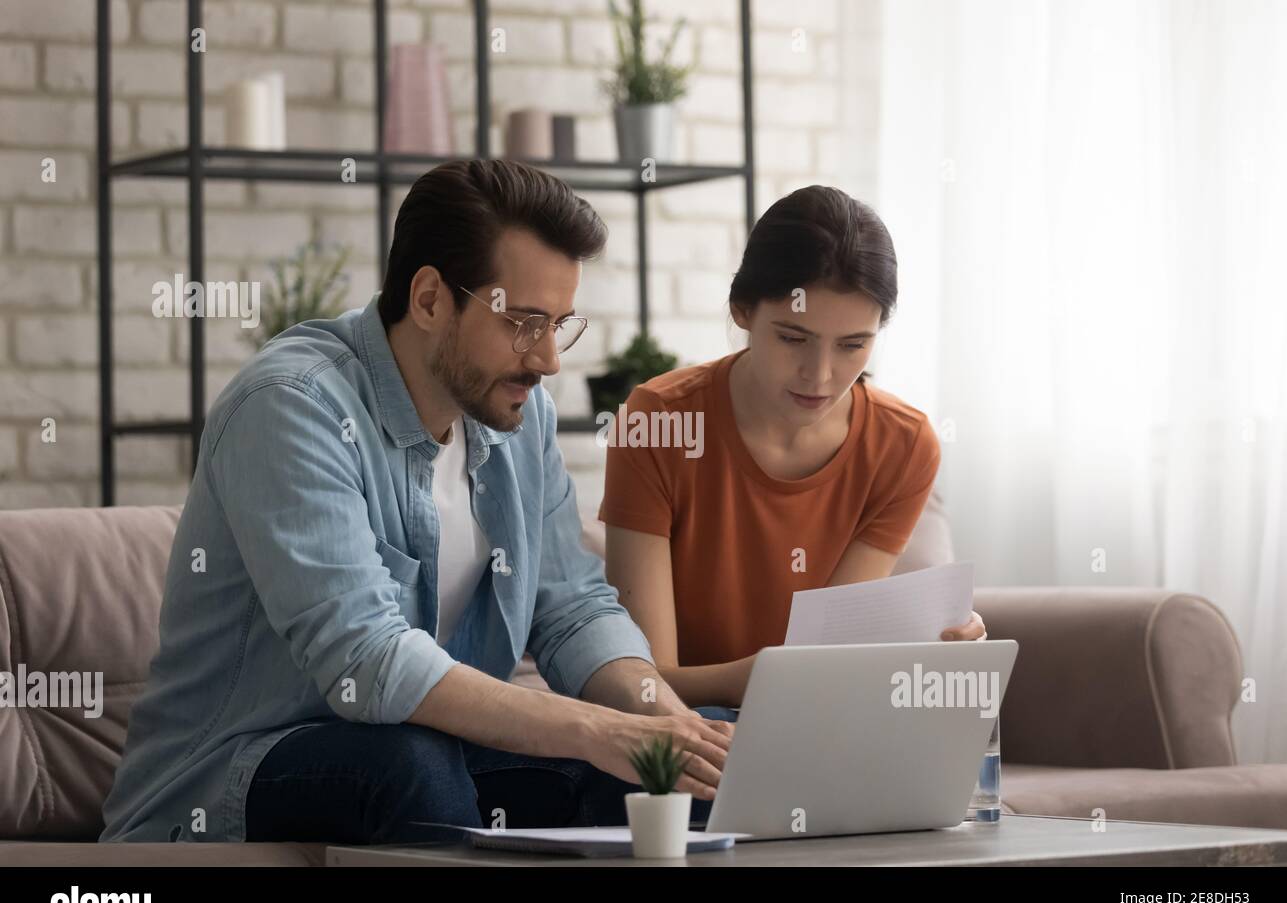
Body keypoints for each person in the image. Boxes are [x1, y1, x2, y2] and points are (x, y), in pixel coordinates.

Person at [100, 159, 732, 845]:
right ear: (430, 299)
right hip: (233, 775)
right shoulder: (290, 406)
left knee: (672, 764)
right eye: (523, 323)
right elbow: (367, 658)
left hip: (428, 755)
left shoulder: (520, 416)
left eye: (559, 324)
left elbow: (573, 609)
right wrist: (591, 728)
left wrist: (666, 724)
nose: (549, 359)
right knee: (408, 767)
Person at [600, 185, 985, 711]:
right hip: (685, 723)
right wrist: (754, 677)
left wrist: (932, 647)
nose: (821, 376)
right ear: (741, 310)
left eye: (853, 345)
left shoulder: (905, 444)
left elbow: (827, 653)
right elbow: (646, 682)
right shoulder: (659, 420)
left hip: (817, 719)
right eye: (793, 338)